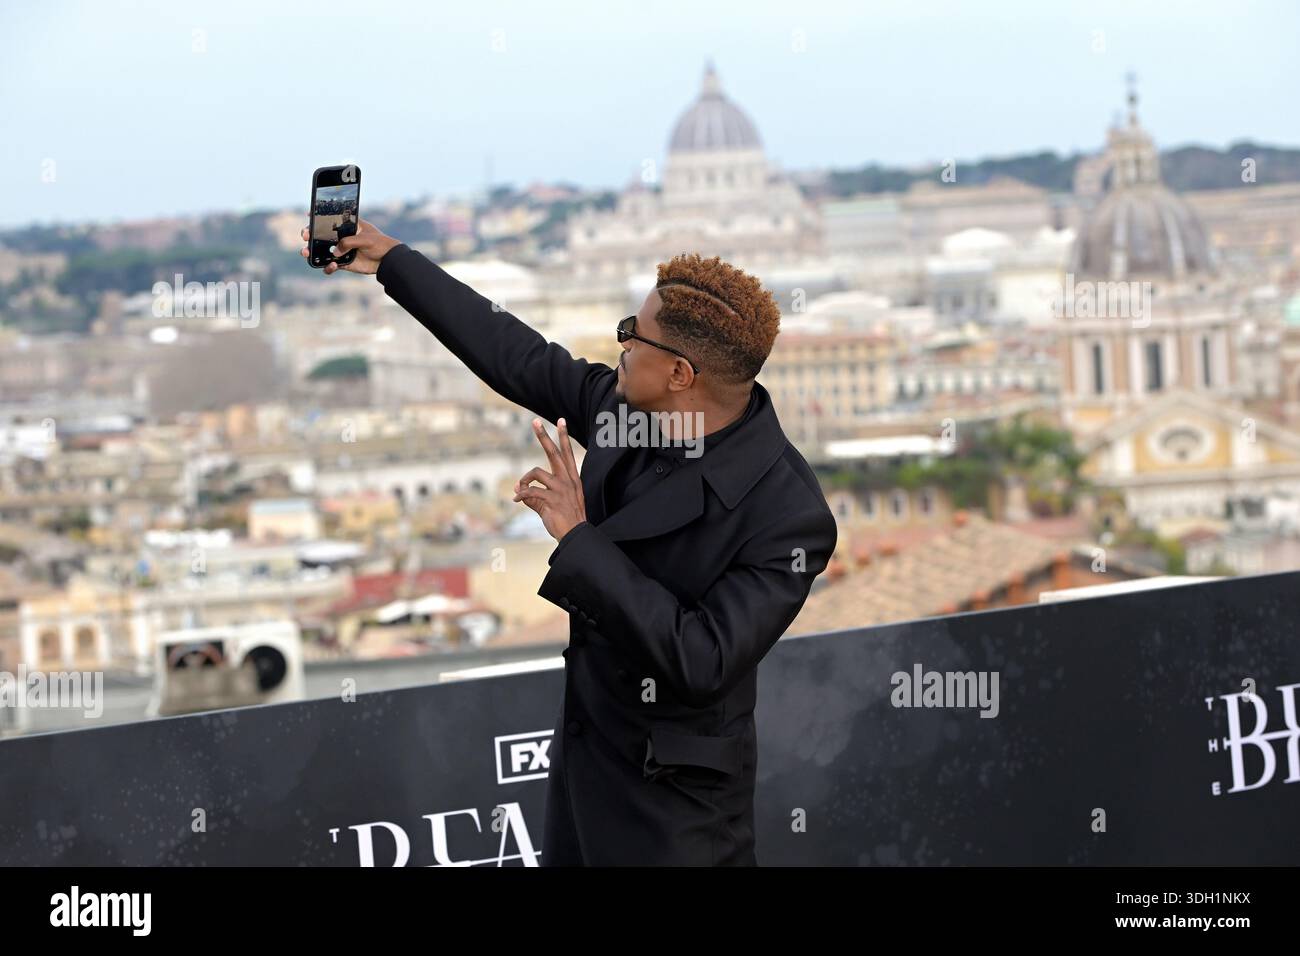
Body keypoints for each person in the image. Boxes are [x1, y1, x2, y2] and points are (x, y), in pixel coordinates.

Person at [300, 221, 838, 865]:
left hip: (676, 819)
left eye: (630, 336)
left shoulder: (788, 514)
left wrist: (578, 539)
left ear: (678, 372)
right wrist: (392, 261)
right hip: (585, 774)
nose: (619, 346)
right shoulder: (625, 410)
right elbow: (516, 355)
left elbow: (703, 661)